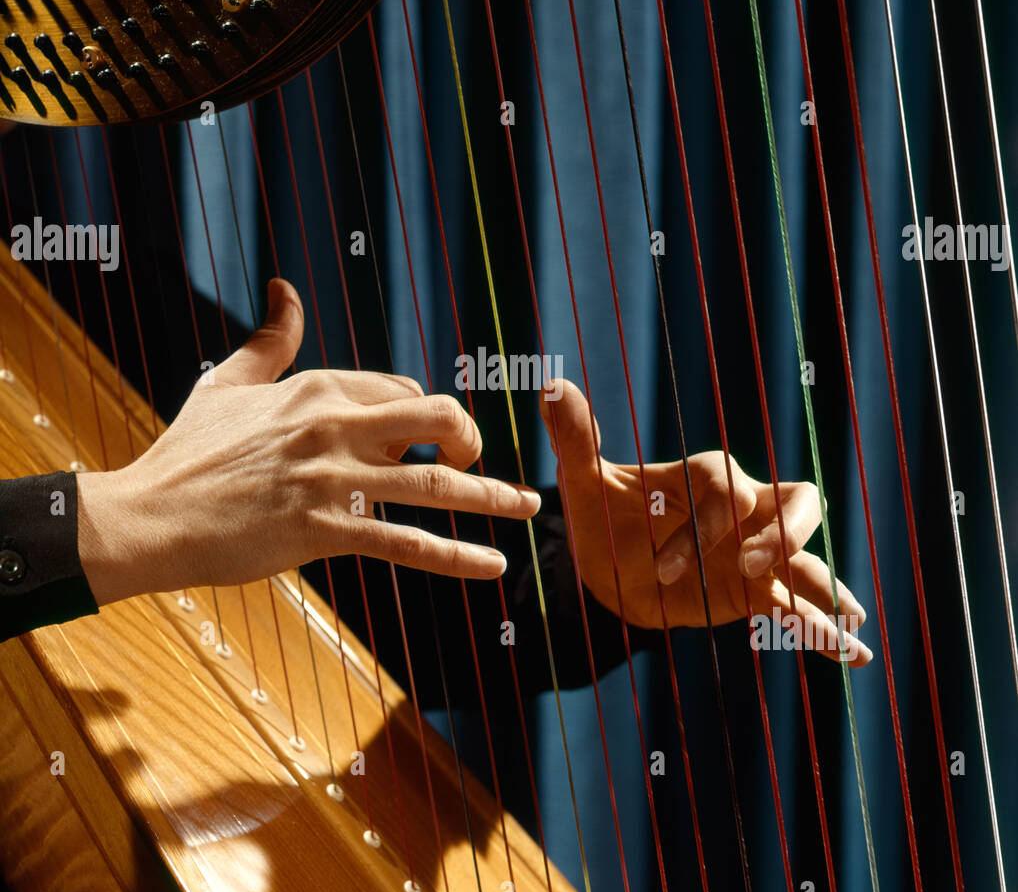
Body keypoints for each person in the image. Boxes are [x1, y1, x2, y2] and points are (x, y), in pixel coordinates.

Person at [1, 278, 871, 678]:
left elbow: (381, 591)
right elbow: (164, 518)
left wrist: (591, 593)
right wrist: (118, 520)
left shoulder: (95, 300)